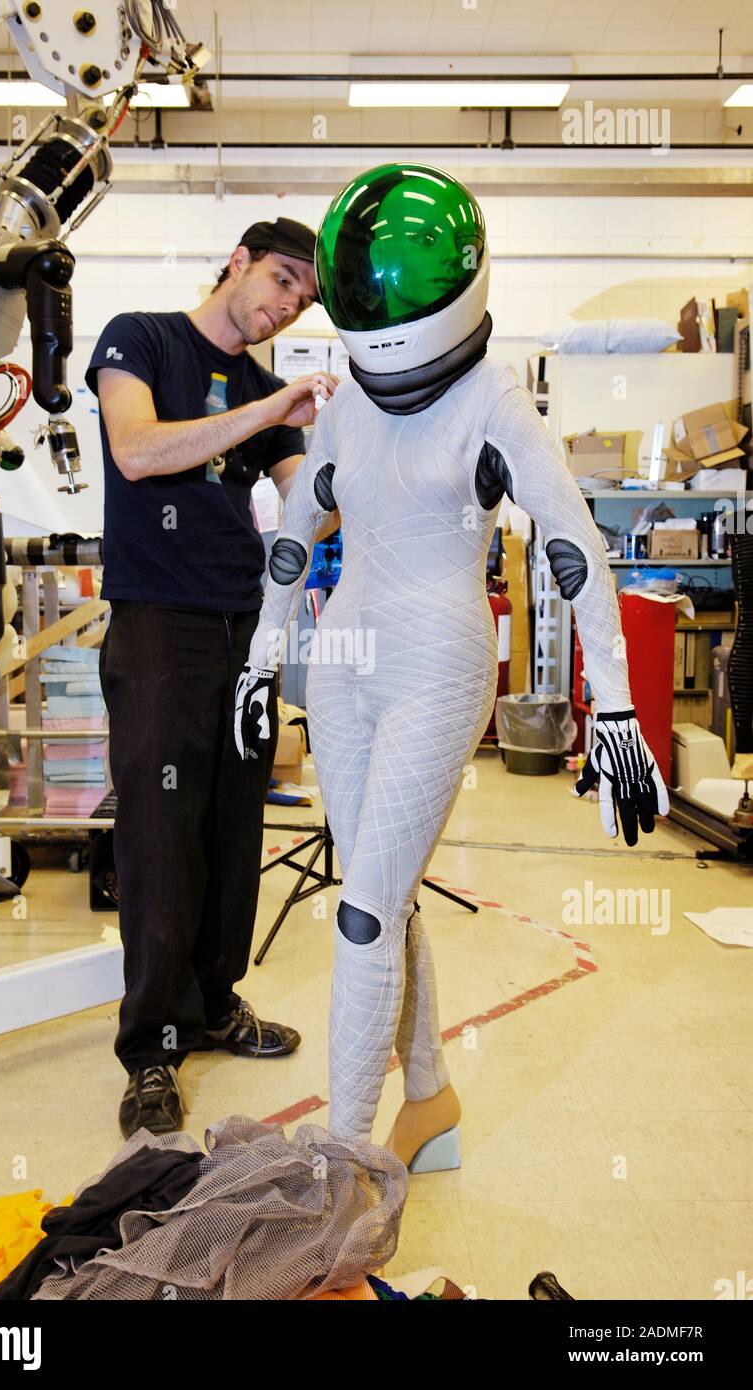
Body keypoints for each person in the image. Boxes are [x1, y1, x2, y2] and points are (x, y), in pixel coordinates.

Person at [235, 165, 668, 1172]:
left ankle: (338, 1169)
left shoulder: (492, 399)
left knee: (362, 911)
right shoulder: (346, 403)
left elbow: (572, 546)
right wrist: (262, 662)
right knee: (380, 896)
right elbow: (294, 537)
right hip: (342, 670)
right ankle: (427, 1100)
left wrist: (614, 705)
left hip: (436, 668)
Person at [86, 217, 338, 1138]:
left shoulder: (266, 390)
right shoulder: (140, 339)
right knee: (161, 838)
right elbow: (137, 449)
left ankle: (215, 1003)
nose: (288, 304)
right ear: (238, 262)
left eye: (304, 297)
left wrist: (352, 448)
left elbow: (310, 503)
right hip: (160, 622)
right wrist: (269, 414)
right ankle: (152, 1047)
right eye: (281, 279)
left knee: (234, 829)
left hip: (246, 625)